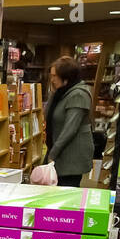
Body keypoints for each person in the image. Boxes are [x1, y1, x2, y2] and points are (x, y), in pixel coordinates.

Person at [41, 56, 94, 185]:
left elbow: (70, 129)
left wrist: (52, 154)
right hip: (58, 153)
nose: (52, 79)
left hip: (71, 159)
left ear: (66, 77)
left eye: (55, 76)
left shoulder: (78, 94)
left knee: (65, 197)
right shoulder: (61, 93)